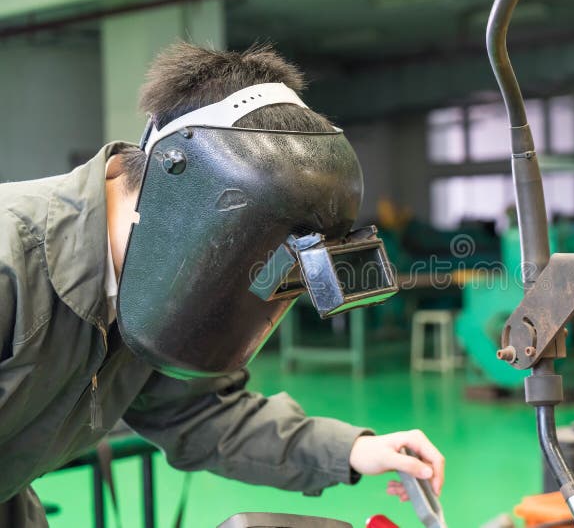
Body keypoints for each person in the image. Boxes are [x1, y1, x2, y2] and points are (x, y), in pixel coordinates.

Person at [0, 42, 443, 526]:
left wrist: (352, 450)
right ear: (181, 186)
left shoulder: (155, 288)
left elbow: (198, 412)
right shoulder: (11, 262)